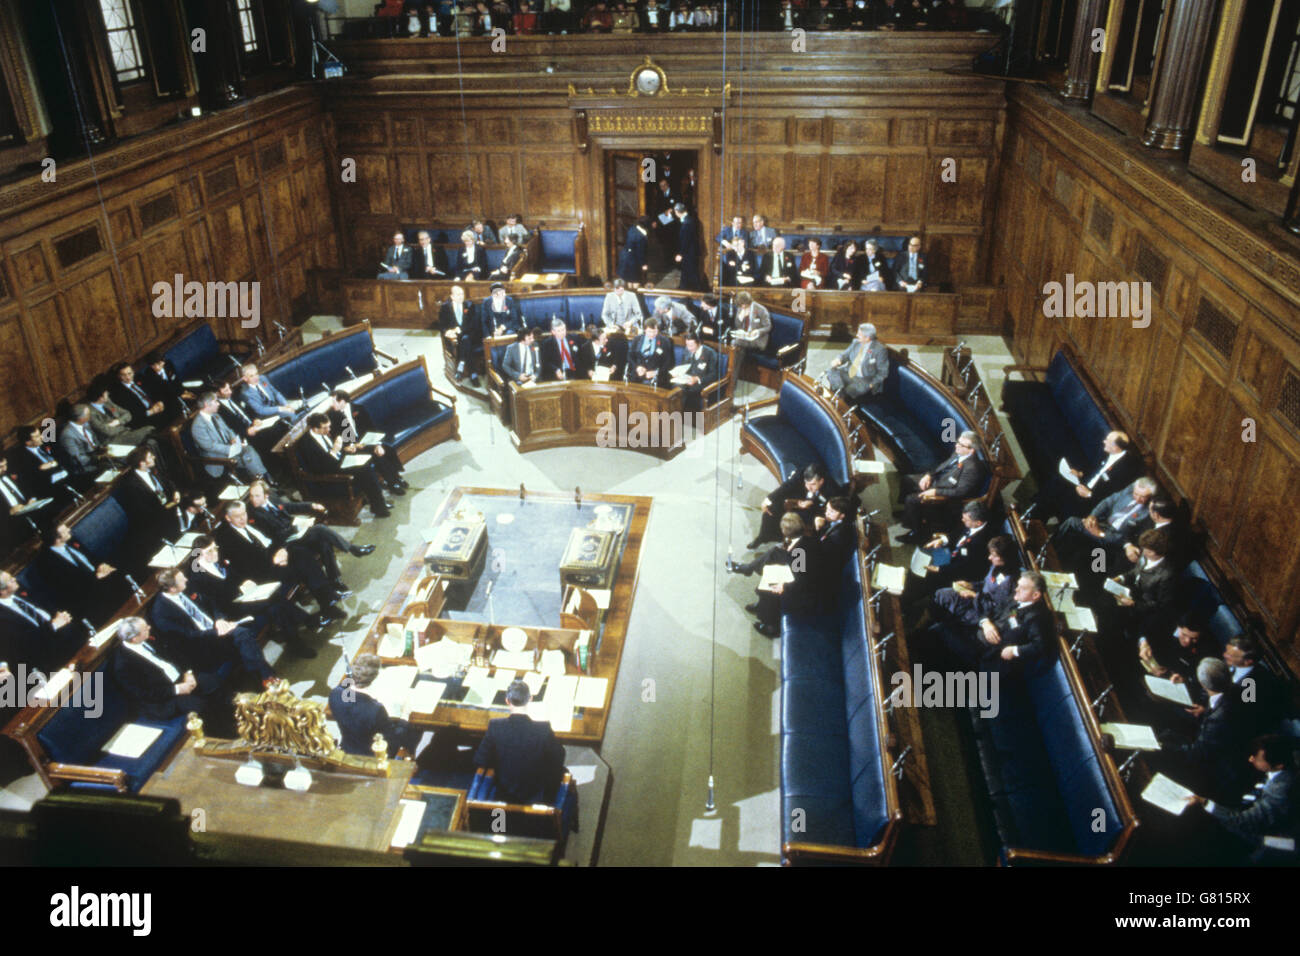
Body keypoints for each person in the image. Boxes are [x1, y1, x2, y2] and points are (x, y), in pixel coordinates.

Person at [214, 500, 347, 628]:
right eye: (238, 516)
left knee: (301, 554)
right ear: (228, 518)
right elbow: (245, 564)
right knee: (302, 560)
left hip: (277, 558)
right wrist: (274, 560)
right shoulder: (227, 538)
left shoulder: (253, 523)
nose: (243, 518)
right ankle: (324, 605)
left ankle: (328, 602)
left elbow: (274, 538)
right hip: (264, 573)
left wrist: (282, 550)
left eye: (244, 514)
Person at [186, 534, 318, 659]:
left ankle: (297, 641)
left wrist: (244, 581)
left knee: (275, 605)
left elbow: (236, 575)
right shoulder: (197, 577)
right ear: (198, 555)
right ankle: (306, 623)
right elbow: (212, 603)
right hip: (231, 609)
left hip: (244, 597)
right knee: (273, 601)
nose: (215, 552)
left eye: (215, 548)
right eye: (209, 551)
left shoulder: (217, 559)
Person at [1183, 735, 1297, 862]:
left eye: (1257, 759)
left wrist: (1205, 802)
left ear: (1279, 765)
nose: (1250, 759)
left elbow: (1242, 821)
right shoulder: (1286, 767)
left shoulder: (1280, 791)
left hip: (1280, 842)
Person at [150, 568, 276, 682]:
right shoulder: (161, 612)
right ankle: (267, 677)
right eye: (182, 580)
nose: (186, 580)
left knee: (244, 634)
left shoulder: (186, 588)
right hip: (202, 645)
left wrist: (220, 620)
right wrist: (217, 632)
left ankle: (263, 677)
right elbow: (187, 636)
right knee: (243, 634)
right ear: (172, 588)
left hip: (217, 629)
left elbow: (212, 603)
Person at [1156, 657, 1254, 802]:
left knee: (1163, 747)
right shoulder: (1240, 688)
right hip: (1228, 744)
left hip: (1219, 771)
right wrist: (1204, 708)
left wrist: (1162, 747)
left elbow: (1197, 754)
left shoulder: (1217, 720)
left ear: (1203, 684)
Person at [474, 679, 567, 803]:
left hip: (504, 797)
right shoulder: (543, 729)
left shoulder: (495, 726)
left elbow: (480, 760)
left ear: (507, 701)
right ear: (530, 699)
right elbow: (559, 757)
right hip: (537, 796)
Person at [730, 513, 821, 637]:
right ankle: (748, 569)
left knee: (770, 588)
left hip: (804, 588)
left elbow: (801, 580)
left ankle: (771, 626)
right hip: (798, 571)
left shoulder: (799, 552)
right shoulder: (802, 537)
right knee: (775, 551)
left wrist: (783, 586)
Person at [943, 571, 1054, 672]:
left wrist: (1015, 650)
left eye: (1023, 588)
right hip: (978, 636)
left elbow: (1040, 645)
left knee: (942, 636)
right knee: (940, 630)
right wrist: (985, 622)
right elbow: (992, 609)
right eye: (1018, 585)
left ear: (1035, 595)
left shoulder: (1037, 617)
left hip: (991, 656)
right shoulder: (1015, 598)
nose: (1016, 589)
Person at [111, 617, 217, 722]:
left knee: (213, 682)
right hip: (164, 699)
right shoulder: (123, 665)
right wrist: (177, 689)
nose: (149, 627)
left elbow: (175, 654)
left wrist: (188, 673)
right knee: (200, 706)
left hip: (181, 679)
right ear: (134, 638)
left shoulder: (150, 638)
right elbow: (145, 694)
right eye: (145, 628)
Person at [296, 414, 393, 519]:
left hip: (339, 462)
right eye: (325, 427)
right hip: (329, 472)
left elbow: (334, 451)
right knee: (364, 470)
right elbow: (318, 468)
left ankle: (377, 503)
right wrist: (334, 451)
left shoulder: (324, 432)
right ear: (315, 428)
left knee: (366, 462)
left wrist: (345, 449)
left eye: (329, 426)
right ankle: (379, 506)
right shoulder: (306, 444)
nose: (329, 429)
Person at [897, 431, 987, 542]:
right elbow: (942, 467)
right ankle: (907, 512)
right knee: (907, 480)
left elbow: (960, 492)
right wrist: (929, 475)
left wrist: (936, 492)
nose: (956, 445)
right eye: (958, 442)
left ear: (971, 450)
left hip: (944, 494)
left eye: (961, 445)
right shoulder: (958, 453)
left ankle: (916, 534)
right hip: (936, 481)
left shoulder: (972, 468)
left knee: (911, 499)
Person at [1055, 477, 1159, 572]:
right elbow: (1108, 502)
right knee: (1071, 522)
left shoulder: (1149, 513)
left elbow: (1132, 539)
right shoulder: (1129, 491)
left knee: (1077, 530)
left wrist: (1101, 534)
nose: (1137, 499)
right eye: (1136, 494)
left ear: (1150, 496)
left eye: (1142, 497)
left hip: (1116, 539)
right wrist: (1093, 516)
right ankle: (1051, 550)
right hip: (1103, 524)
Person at [330, 654, 422, 757]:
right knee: (415, 730)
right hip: (372, 756)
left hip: (347, 748)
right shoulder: (375, 709)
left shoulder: (335, 694)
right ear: (375, 676)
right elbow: (392, 744)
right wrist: (405, 715)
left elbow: (348, 690)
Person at [1041, 430, 1142, 521]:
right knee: (1056, 484)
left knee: (1069, 508)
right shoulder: (1106, 452)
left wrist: (1089, 495)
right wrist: (1080, 474)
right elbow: (1093, 468)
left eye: (1107, 440)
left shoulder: (1126, 467)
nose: (1104, 441)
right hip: (1083, 485)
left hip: (1093, 500)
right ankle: (1038, 518)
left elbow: (1113, 494)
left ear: (1115, 447)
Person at [0, 570, 86, 673]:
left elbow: (47, 605)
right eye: (10, 580)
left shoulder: (20, 590)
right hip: (54, 654)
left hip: (72, 633)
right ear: (2, 591)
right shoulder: (3, 618)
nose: (15, 579)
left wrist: (61, 616)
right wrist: (53, 625)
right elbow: (27, 644)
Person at [750, 462, 844, 549]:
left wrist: (819, 515)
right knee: (771, 507)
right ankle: (763, 537)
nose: (808, 487)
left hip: (814, 512)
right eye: (806, 483)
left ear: (821, 481)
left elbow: (830, 512)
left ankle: (788, 546)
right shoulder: (802, 472)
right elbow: (787, 486)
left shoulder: (833, 491)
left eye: (812, 484)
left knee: (807, 527)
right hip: (799, 499)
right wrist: (768, 499)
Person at [327, 391, 407, 492]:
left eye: (333, 402)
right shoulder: (332, 416)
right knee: (375, 454)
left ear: (342, 401)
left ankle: (396, 477)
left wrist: (378, 444)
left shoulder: (358, 408)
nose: (331, 405)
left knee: (386, 448)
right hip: (351, 446)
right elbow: (335, 437)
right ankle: (393, 483)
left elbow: (371, 427)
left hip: (365, 440)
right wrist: (349, 446)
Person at [191, 392, 270, 482]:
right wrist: (231, 448)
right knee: (248, 458)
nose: (218, 403)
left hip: (230, 450)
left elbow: (228, 430)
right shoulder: (197, 426)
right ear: (206, 404)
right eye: (215, 401)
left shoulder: (215, 415)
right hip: (217, 458)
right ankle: (263, 480)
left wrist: (234, 440)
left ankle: (262, 478)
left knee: (248, 450)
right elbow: (210, 446)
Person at [825, 323, 888, 401]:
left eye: (859, 334)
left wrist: (872, 384)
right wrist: (838, 359)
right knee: (831, 371)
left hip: (865, 380)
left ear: (867, 338)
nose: (857, 335)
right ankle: (839, 393)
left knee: (849, 390)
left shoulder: (879, 350)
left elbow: (883, 372)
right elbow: (845, 354)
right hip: (849, 373)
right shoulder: (856, 342)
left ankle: (839, 398)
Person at [85, 378, 152, 448]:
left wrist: (118, 421)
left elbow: (127, 414)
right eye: (106, 393)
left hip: (125, 433)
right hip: (112, 441)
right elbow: (107, 432)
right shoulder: (90, 413)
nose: (108, 393)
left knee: (150, 435)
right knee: (149, 430)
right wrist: (121, 426)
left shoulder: (107, 402)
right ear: (100, 398)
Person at [438, 284, 481, 385]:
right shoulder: (445, 307)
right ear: (452, 296)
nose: (461, 296)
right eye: (458, 295)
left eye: (462, 294)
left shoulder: (469, 305)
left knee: (465, 339)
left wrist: (460, 330)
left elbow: (473, 325)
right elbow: (442, 325)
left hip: (470, 335)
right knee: (465, 340)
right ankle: (472, 373)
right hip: (455, 338)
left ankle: (461, 364)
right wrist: (447, 332)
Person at [57, 405, 107, 489]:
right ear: (81, 418)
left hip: (99, 457)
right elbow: (77, 459)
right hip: (87, 467)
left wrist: (103, 450)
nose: (90, 415)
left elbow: (95, 441)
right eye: (88, 414)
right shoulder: (67, 435)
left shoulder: (86, 424)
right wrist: (99, 458)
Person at [110, 363, 169, 429]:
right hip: (145, 418)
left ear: (133, 372)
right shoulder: (119, 393)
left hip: (157, 407)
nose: (128, 377)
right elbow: (131, 414)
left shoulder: (139, 378)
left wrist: (160, 401)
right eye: (123, 375)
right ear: (119, 376)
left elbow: (155, 390)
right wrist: (150, 412)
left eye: (129, 373)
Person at [626, 317, 673, 388]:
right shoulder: (637, 339)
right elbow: (630, 356)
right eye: (649, 331)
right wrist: (637, 367)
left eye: (655, 331)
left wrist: (656, 373)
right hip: (638, 373)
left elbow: (668, 362)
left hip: (656, 376)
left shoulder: (664, 342)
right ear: (645, 330)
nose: (652, 334)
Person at [677, 331, 718, 413]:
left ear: (698, 343)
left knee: (683, 391)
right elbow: (684, 366)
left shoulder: (710, 353)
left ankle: (679, 416)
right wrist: (678, 373)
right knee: (675, 389)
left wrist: (697, 379)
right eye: (687, 345)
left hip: (702, 383)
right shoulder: (687, 350)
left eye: (691, 345)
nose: (689, 348)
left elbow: (713, 375)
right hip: (687, 380)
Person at [730, 291, 771, 358]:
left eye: (743, 305)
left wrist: (757, 331)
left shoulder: (761, 310)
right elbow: (737, 326)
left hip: (758, 340)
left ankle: (734, 367)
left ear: (748, 302)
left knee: (735, 343)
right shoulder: (740, 308)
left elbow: (768, 327)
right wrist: (740, 318)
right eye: (741, 305)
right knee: (737, 347)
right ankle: (736, 367)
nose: (742, 307)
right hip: (744, 337)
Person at [674, 202, 703, 291]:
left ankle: (694, 290)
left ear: (677, 212)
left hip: (690, 252)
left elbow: (685, 241)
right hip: (691, 251)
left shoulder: (687, 223)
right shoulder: (689, 219)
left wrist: (680, 254)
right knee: (687, 270)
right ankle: (684, 286)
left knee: (691, 271)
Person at [617, 217, 651, 285]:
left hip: (624, 257)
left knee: (628, 280)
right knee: (635, 280)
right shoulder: (641, 237)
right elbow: (640, 252)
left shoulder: (632, 228)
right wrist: (643, 264)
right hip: (633, 260)